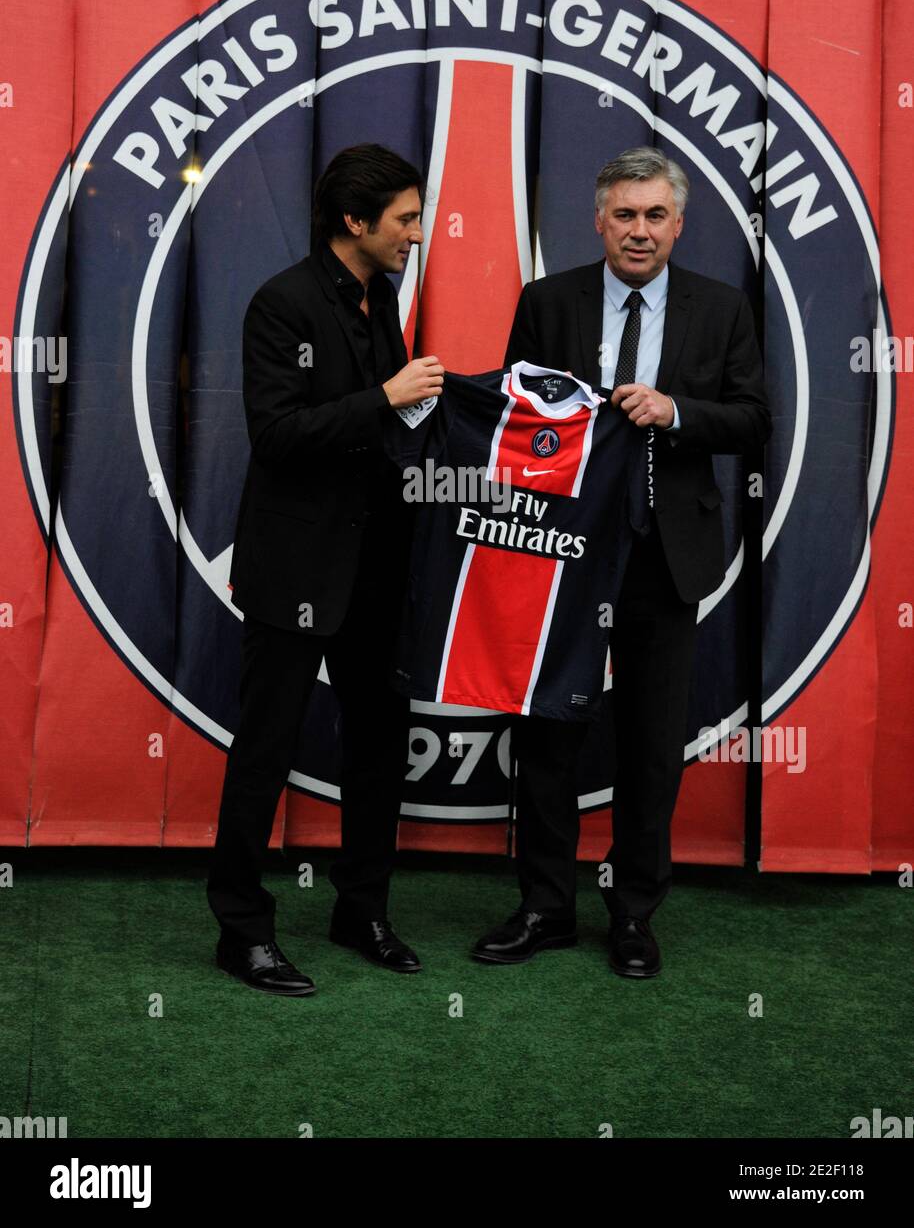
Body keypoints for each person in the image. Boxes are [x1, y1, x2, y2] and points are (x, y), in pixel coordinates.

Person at [472, 145, 772, 978]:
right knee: (547, 733)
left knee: (650, 740)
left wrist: (675, 412)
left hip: (666, 555)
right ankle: (544, 906)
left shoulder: (723, 310)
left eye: (655, 215)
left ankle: (635, 913)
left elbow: (753, 420)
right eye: (625, 215)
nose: (639, 231)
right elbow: (511, 418)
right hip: (562, 552)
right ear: (598, 220)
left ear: (679, 223)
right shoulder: (546, 301)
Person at [207, 143, 444, 996]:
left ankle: (361, 910)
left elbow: (378, 432)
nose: (418, 233)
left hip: (377, 562)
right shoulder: (281, 303)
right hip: (294, 565)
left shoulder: (382, 295)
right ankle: (240, 929)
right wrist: (386, 397)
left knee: (380, 742)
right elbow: (276, 436)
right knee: (266, 746)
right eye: (406, 219)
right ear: (356, 221)